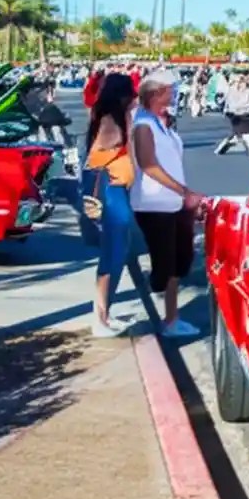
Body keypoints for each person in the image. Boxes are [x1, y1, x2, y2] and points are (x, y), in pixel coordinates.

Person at [130, 70, 203, 338]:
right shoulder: (143, 125)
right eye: (169, 90)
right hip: (154, 204)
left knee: (180, 260)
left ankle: (172, 319)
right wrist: (184, 192)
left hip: (173, 202)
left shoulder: (162, 124)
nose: (173, 94)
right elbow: (149, 165)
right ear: (156, 93)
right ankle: (169, 319)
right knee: (167, 265)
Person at [84, 73, 139, 337]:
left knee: (117, 253)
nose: (134, 99)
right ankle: (100, 318)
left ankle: (104, 313)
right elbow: (96, 157)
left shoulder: (112, 117)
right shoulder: (111, 121)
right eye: (131, 95)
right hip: (111, 192)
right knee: (113, 254)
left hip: (117, 191)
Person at [217, 74, 249, 157]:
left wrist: (245, 108)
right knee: (243, 134)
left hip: (247, 115)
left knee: (243, 134)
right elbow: (227, 103)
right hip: (235, 115)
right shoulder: (231, 90)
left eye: (242, 82)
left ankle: (227, 144)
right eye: (238, 82)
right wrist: (229, 109)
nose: (240, 84)